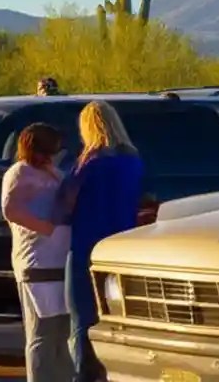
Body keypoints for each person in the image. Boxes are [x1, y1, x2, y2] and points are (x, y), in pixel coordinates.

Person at [62, 100, 143, 382]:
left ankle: (84, 375)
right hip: (121, 248)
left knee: (82, 321)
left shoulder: (88, 163)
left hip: (87, 246)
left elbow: (65, 204)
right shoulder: (133, 161)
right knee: (116, 317)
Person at [1, 123, 72, 382]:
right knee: (42, 332)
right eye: (51, 149)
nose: (54, 155)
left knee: (62, 334)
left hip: (60, 262)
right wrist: (46, 228)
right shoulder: (20, 173)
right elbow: (11, 209)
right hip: (36, 264)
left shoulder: (54, 173)